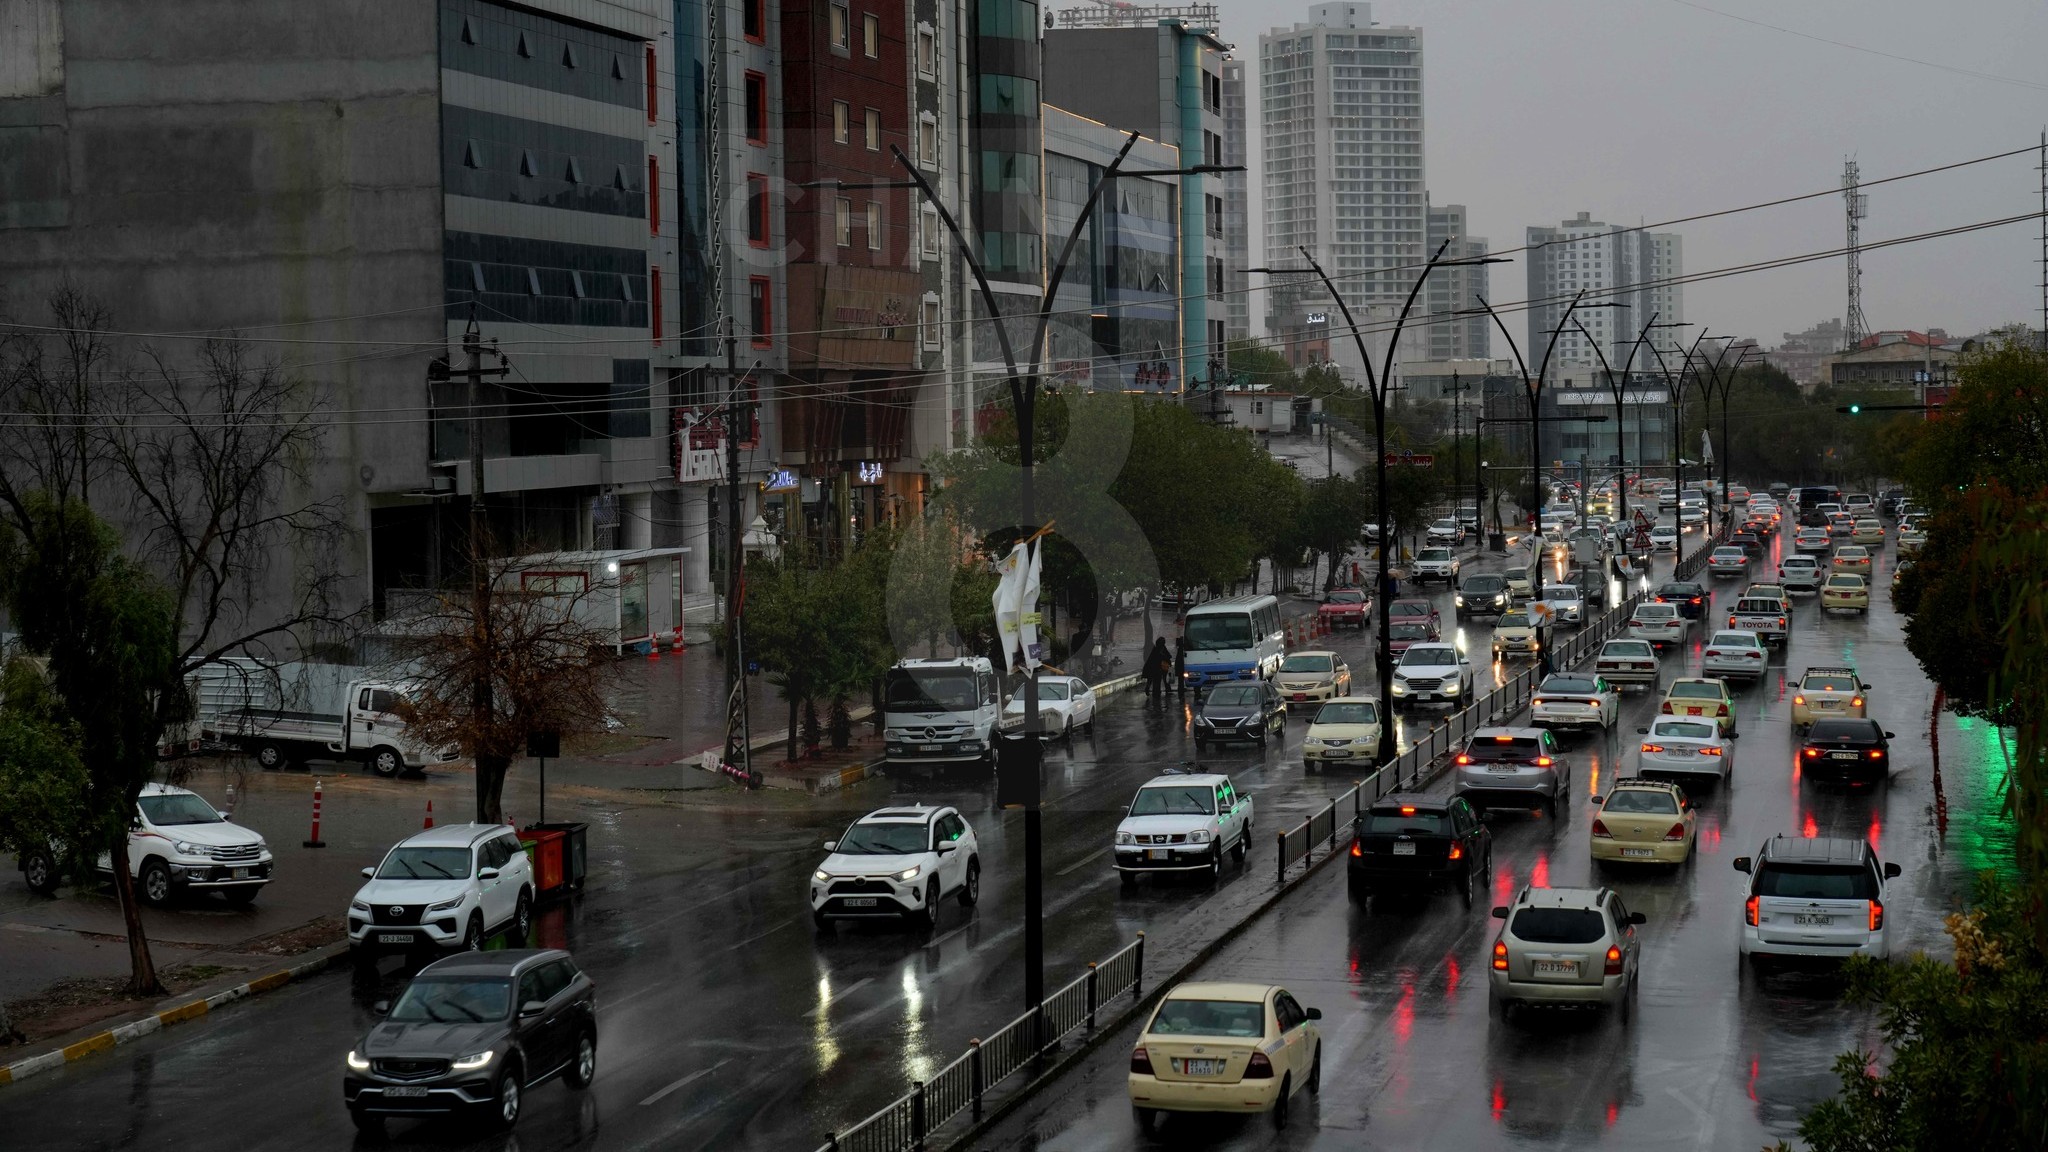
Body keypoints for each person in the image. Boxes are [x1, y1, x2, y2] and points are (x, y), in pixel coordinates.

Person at [1144, 637, 1171, 702]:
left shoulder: (1156, 649)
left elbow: (1168, 656)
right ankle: (1156, 694)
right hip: (1156, 669)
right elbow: (1167, 656)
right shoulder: (1159, 650)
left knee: (1154, 681)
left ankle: (1155, 694)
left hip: (1157, 668)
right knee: (1156, 681)